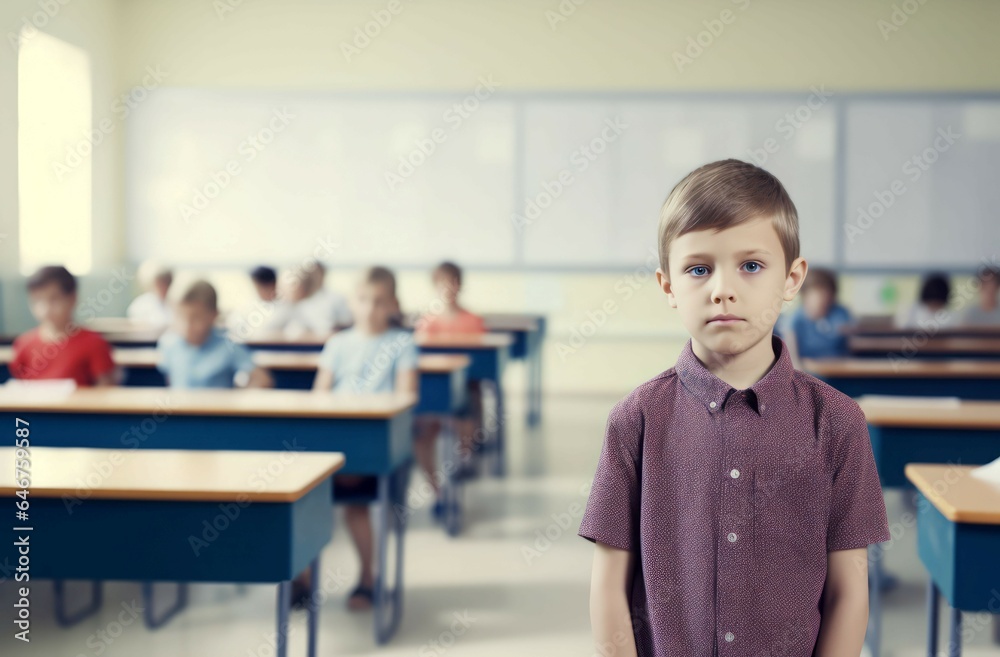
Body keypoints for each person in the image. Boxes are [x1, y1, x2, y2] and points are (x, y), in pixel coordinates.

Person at [580, 159, 890, 656]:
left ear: (792, 280)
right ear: (668, 287)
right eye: (698, 269)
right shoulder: (635, 420)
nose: (722, 288)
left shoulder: (836, 422)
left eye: (751, 265)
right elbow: (608, 587)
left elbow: (849, 592)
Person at [306, 266, 417, 611]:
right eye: (364, 300)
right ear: (352, 302)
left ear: (394, 304)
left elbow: (406, 398)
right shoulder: (338, 343)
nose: (370, 309)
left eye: (380, 301)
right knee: (301, 495)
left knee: (354, 500)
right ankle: (302, 579)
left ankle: (367, 577)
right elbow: (319, 396)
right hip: (334, 436)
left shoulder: (402, 343)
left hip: (375, 442)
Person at [414, 261, 488, 512]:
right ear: (435, 286)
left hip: (463, 390)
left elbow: (479, 366)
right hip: (433, 391)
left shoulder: (473, 321)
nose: (448, 287)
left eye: (453, 281)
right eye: (443, 282)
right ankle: (438, 491)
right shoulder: (427, 322)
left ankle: (463, 461)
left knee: (468, 402)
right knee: (421, 429)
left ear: (460, 285)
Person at [10, 265, 117, 386]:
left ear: (72, 299)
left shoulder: (94, 344)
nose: (46, 309)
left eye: (54, 299)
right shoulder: (23, 344)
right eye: (37, 300)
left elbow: (106, 392)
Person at [157, 280, 273, 389]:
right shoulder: (168, 343)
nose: (187, 326)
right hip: (179, 409)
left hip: (218, 410)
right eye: (181, 317)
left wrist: (238, 401)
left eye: (196, 318)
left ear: (214, 315)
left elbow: (263, 379)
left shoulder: (228, 345)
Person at [781, 268, 853, 363]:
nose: (822, 303)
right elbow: (793, 358)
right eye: (817, 297)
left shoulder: (840, 313)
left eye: (826, 298)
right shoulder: (794, 319)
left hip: (839, 367)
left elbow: (850, 335)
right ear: (805, 297)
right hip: (810, 369)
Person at [285, 261, 352, 335]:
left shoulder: (336, 299)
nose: (312, 278)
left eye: (316, 274)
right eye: (309, 274)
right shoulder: (299, 301)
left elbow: (347, 321)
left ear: (323, 275)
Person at [227, 265, 292, 339]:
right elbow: (234, 323)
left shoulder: (286, 308)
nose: (257, 291)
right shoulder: (252, 305)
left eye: (258, 287)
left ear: (270, 285)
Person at [895, 272, 959, 329]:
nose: (934, 308)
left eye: (938, 305)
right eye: (932, 304)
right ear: (925, 301)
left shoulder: (952, 316)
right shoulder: (911, 313)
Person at [126, 261, 173, 329]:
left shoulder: (178, 304)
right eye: (160, 285)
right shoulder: (140, 306)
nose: (163, 288)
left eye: (166, 283)